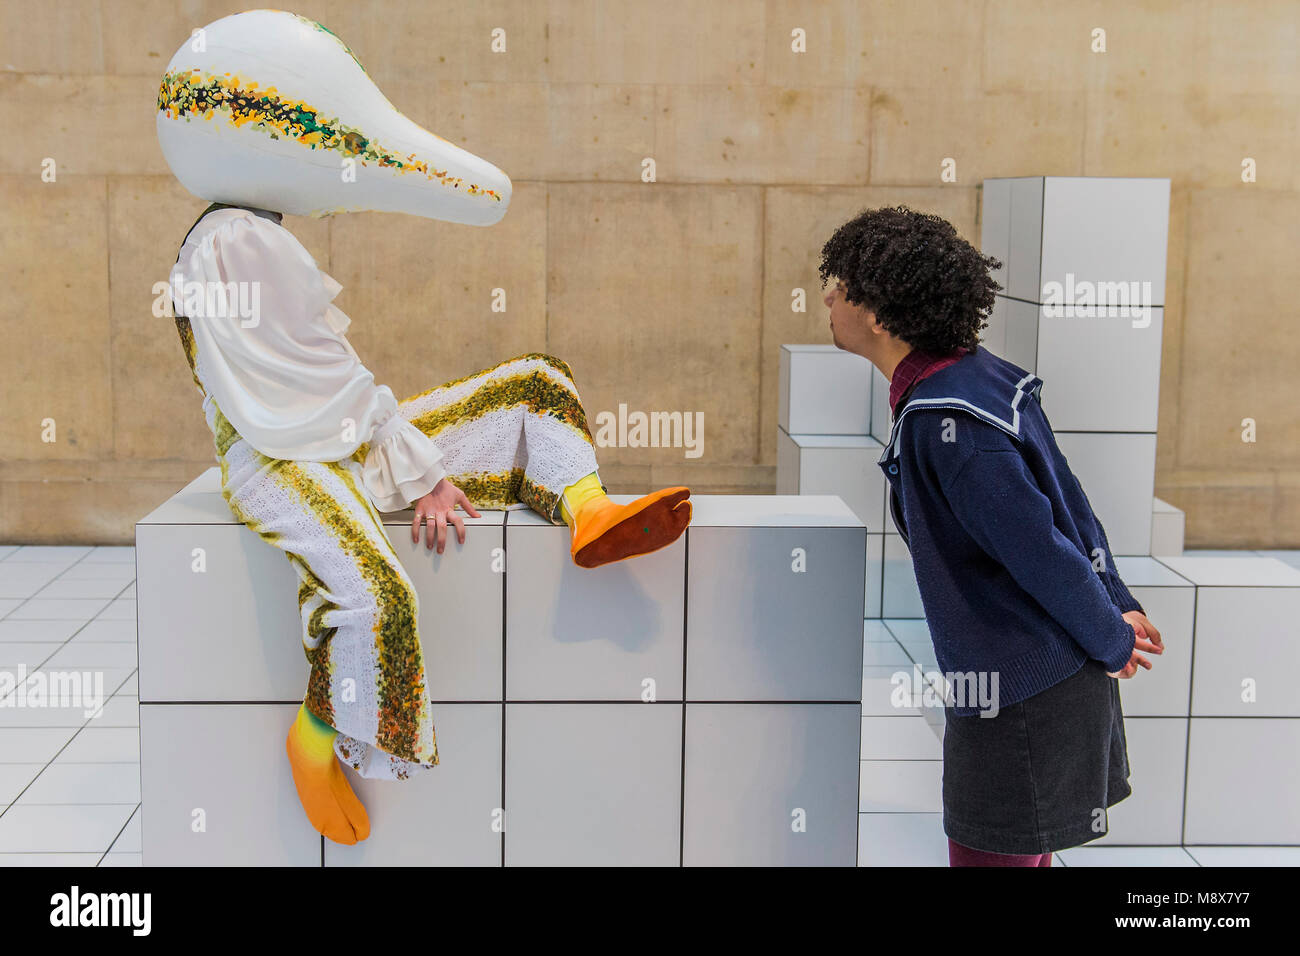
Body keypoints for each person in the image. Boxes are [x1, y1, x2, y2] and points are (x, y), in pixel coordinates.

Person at [157, 11, 691, 845]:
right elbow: (305, 385)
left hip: (332, 435)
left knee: (531, 383)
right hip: (279, 459)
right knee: (376, 593)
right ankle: (314, 736)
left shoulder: (248, 232)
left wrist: (398, 448)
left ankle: (588, 511)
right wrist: (420, 469)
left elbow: (324, 386)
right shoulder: (232, 240)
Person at [819, 205, 1164, 866]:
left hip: (1024, 691)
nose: (827, 296)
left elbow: (1038, 548)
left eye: (839, 284)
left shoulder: (944, 420)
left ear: (875, 309)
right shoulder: (978, 378)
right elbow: (1070, 501)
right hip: (1041, 677)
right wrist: (1114, 597)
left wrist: (1111, 633)